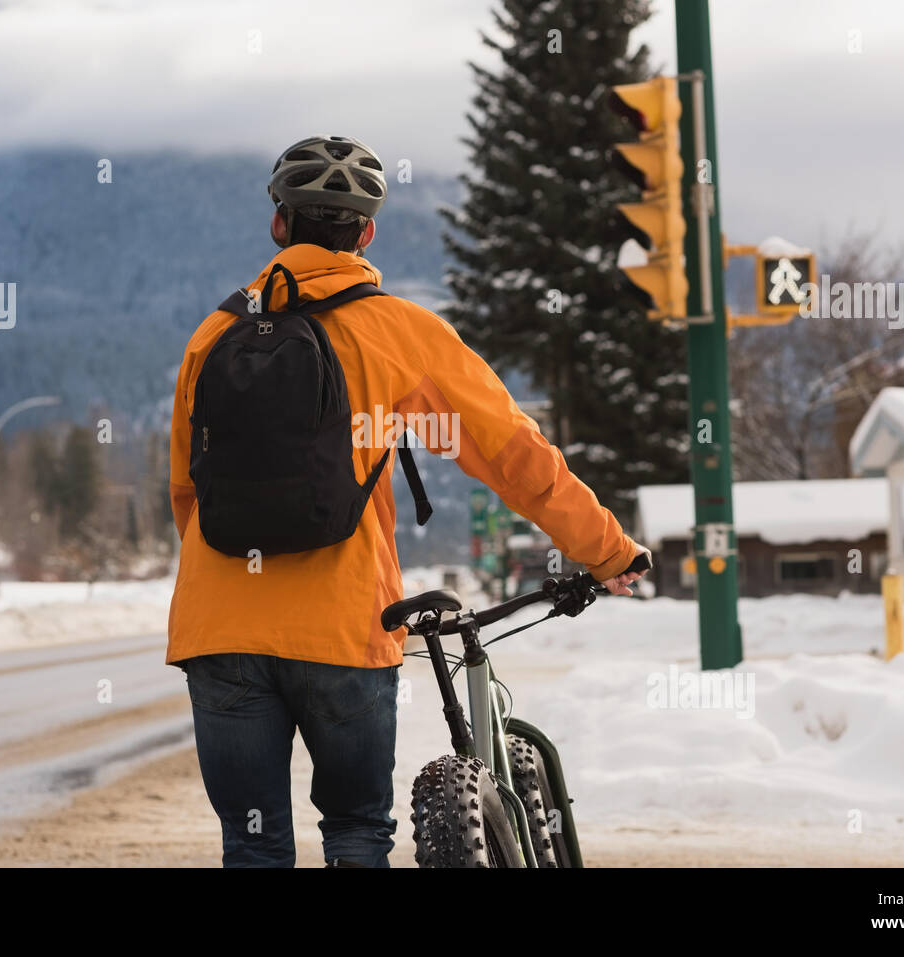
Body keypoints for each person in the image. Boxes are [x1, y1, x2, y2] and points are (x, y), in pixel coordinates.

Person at [167, 134, 650, 868]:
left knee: (253, 843)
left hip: (221, 631)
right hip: (345, 626)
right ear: (366, 231)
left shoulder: (214, 335)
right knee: (358, 830)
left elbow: (186, 490)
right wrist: (607, 549)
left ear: (278, 223)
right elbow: (512, 455)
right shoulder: (402, 333)